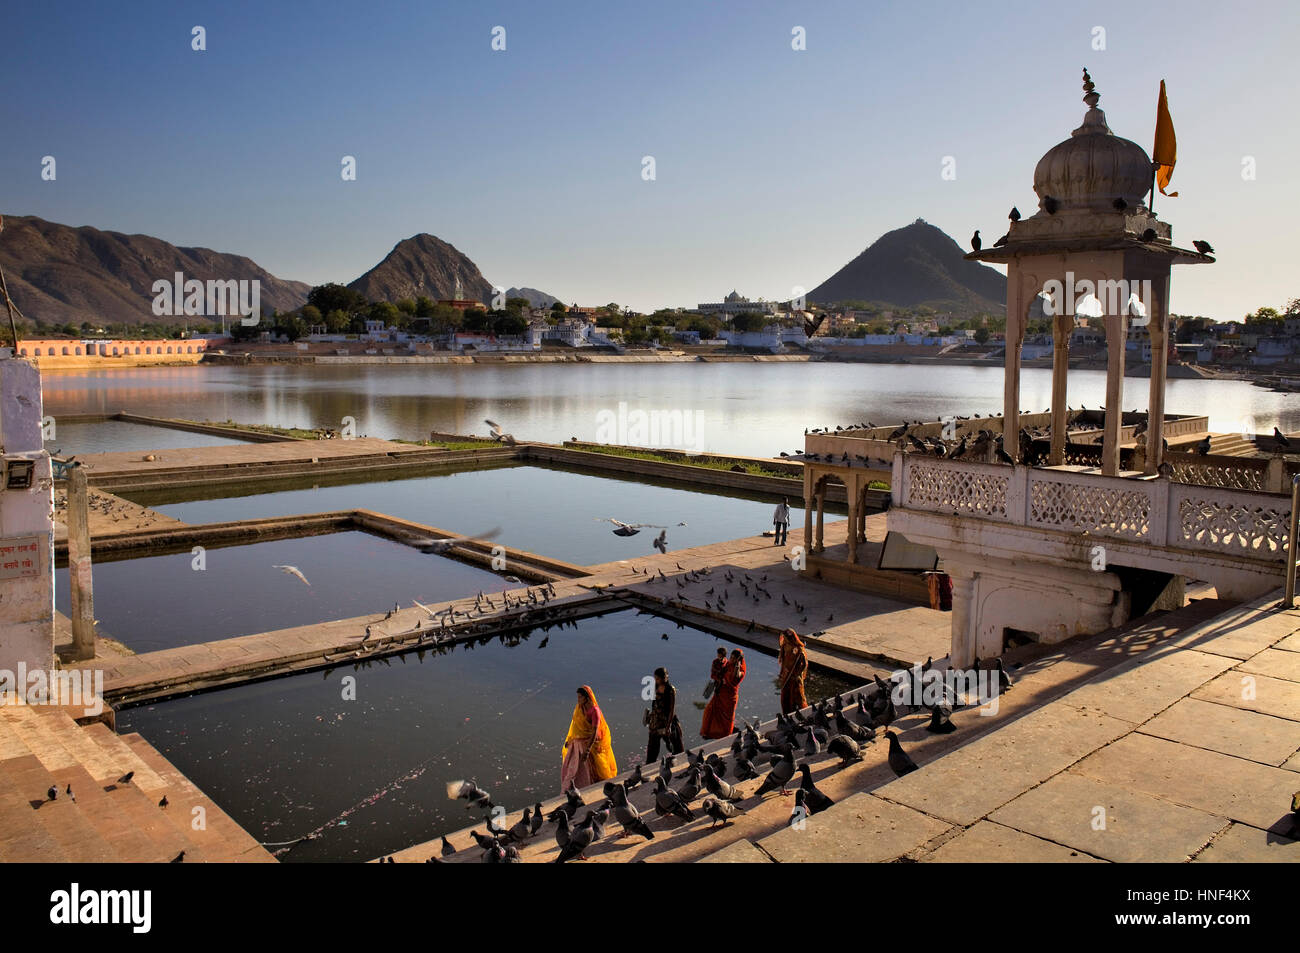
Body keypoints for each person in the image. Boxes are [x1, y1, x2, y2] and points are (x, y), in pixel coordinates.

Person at [561, 685, 616, 791]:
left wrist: (587, 750)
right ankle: (570, 788)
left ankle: (589, 788)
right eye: (577, 697)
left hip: (589, 743)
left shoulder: (594, 711)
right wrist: (570, 739)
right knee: (572, 768)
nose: (578, 700)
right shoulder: (580, 708)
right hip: (578, 742)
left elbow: (595, 731)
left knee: (590, 770)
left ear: (586, 697)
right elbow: (574, 726)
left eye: (580, 697)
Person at [701, 648, 746, 739]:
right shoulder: (728, 664)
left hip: (730, 697)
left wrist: (737, 665)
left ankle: (725, 734)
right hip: (720, 693)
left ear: (739, 660)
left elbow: (735, 678)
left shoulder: (741, 669)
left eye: (734, 658)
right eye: (731, 657)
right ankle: (710, 732)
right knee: (709, 711)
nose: (731, 659)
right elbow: (720, 672)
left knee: (726, 719)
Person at [645, 667, 683, 762]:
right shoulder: (656, 686)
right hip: (656, 720)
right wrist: (650, 715)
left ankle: (677, 762)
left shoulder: (670, 690)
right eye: (655, 678)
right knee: (652, 747)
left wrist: (668, 726)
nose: (656, 680)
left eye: (657, 678)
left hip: (667, 720)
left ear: (664, 678)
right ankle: (650, 764)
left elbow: (671, 709)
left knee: (675, 745)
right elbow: (654, 703)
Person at [778, 628, 808, 714]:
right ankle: (787, 713)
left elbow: (804, 664)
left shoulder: (798, 648)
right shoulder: (784, 646)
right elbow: (783, 661)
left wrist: (796, 674)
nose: (784, 639)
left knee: (797, 696)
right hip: (786, 675)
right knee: (786, 695)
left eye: (786, 638)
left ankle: (801, 713)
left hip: (795, 677)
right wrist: (781, 673)